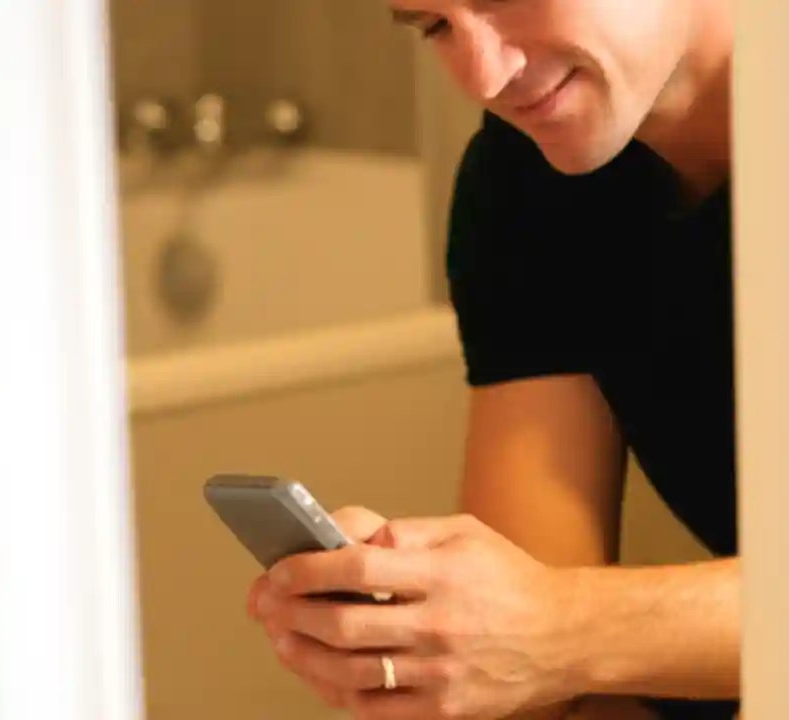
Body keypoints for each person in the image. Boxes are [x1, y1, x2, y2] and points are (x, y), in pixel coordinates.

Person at [248, 1, 739, 718]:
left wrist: (561, 626)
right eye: (434, 27)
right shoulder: (524, 180)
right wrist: (434, 625)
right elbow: (538, 675)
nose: (485, 77)